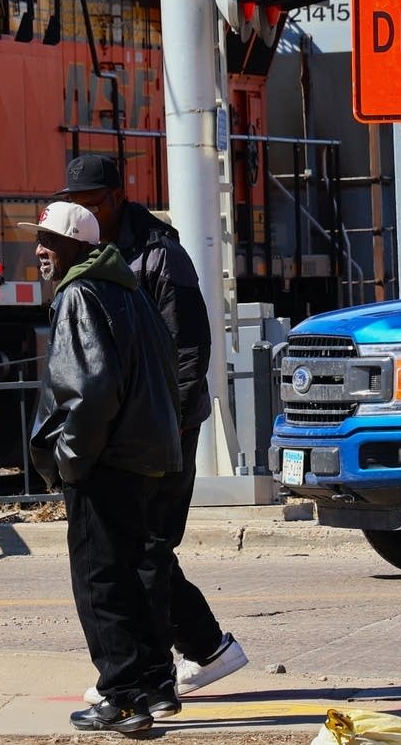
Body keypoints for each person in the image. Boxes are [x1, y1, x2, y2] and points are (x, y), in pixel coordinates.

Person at [57, 153, 250, 698]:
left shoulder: (162, 256)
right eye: (75, 204)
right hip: (126, 436)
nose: (83, 213)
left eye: (91, 203)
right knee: (140, 549)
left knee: (146, 549)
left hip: (164, 432)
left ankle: (150, 673)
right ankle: (204, 649)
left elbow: (189, 350)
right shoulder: (91, 250)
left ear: (116, 197)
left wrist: (177, 429)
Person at [24, 200, 185, 735]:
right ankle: (157, 684)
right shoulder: (127, 290)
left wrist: (71, 459)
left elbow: (89, 388)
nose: (40, 250)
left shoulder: (80, 293)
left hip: (104, 461)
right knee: (139, 573)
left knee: (101, 581)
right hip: (144, 458)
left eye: (50, 240)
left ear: (78, 248)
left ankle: (121, 697)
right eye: (39, 239)